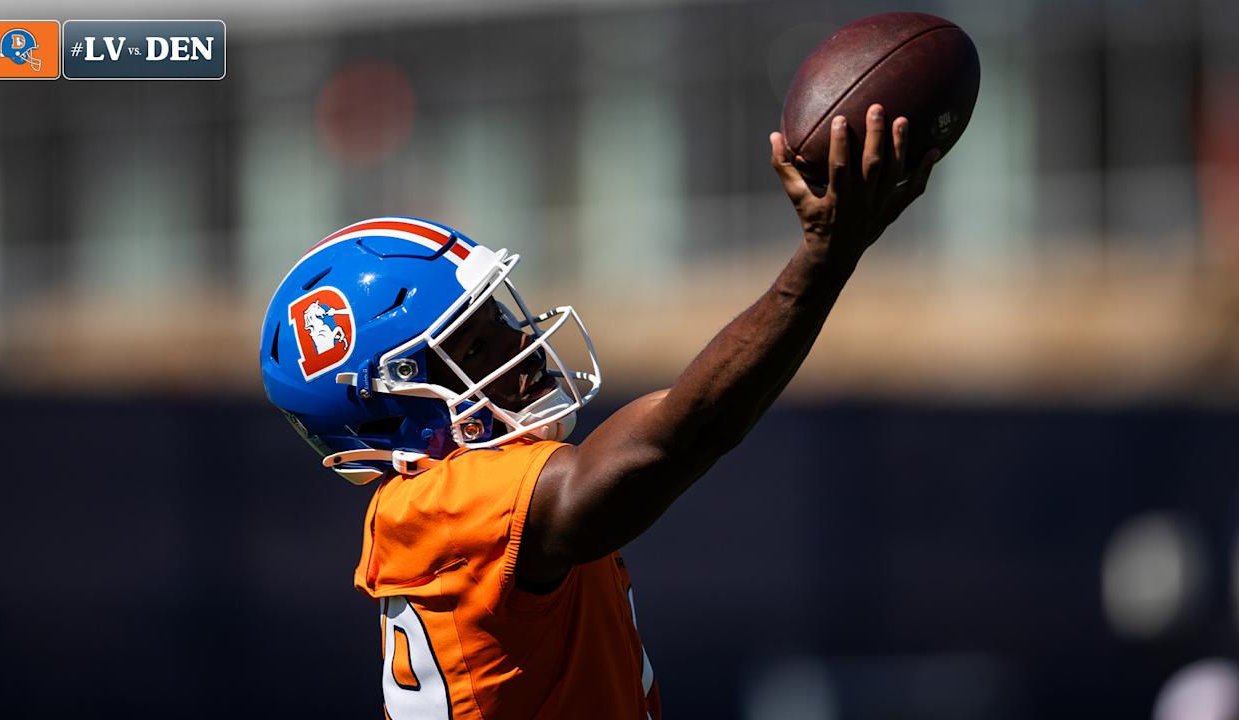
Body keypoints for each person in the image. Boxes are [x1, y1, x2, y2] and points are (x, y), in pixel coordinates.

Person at [259, 104, 938, 719]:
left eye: (497, 313)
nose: (520, 342)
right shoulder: (440, 507)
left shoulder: (452, 504)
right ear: (397, 405)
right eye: (473, 342)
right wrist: (823, 258)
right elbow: (676, 441)